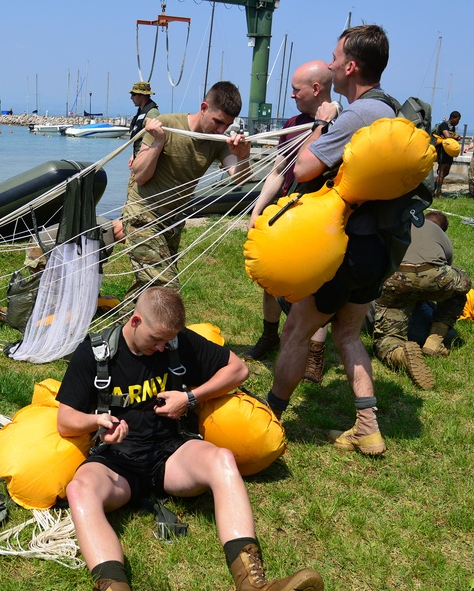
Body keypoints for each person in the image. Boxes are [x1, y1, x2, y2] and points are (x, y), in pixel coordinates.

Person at [57, 287, 323, 591]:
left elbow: (239, 369)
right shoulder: (95, 354)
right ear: (135, 322)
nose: (164, 348)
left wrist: (191, 398)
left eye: (170, 340)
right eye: (157, 340)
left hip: (172, 456)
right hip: (117, 464)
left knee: (223, 460)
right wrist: (97, 422)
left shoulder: (177, 342)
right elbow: (65, 420)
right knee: (79, 490)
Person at [265, 24, 400, 457]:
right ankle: (368, 426)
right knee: (347, 333)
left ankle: (269, 419)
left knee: (297, 330)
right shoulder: (391, 111)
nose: (332, 64)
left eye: (336, 58)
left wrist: (324, 125)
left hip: (349, 248)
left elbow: (304, 168)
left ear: (352, 65)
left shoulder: (355, 115)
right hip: (380, 247)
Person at [243, 61, 337, 379]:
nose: (291, 93)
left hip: (317, 215)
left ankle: (314, 353)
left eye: (297, 89)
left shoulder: (340, 125)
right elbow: (277, 171)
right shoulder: (294, 122)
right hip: (284, 210)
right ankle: (270, 335)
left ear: (316, 89)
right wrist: (257, 211)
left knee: (312, 286)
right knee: (269, 276)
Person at [122, 81, 251, 300]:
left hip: (172, 222)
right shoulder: (166, 124)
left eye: (226, 125)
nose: (221, 130)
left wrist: (243, 156)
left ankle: (122, 331)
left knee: (147, 289)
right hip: (142, 216)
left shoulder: (218, 141)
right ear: (203, 108)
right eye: (218, 121)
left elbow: (239, 178)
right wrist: (159, 141)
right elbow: (140, 175)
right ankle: (168, 334)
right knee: (167, 289)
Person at [372, 211, 472, 390]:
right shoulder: (441, 236)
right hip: (434, 275)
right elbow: (445, 267)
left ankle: (401, 355)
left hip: (396, 278)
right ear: (443, 230)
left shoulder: (401, 223)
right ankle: (435, 340)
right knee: (459, 285)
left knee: (386, 337)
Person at [127, 81, 160, 159]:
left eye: (133, 94)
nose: (131, 97)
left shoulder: (152, 113)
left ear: (142, 95)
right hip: (139, 155)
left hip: (145, 158)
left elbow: (154, 139)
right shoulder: (141, 111)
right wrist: (133, 156)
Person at [432, 111, 462, 197]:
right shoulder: (444, 125)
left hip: (449, 152)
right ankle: (438, 192)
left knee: (446, 172)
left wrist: (457, 137)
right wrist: (454, 137)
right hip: (443, 152)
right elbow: (447, 136)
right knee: (442, 171)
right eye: (457, 120)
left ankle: (434, 188)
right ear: (452, 118)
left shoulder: (452, 127)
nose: (458, 122)